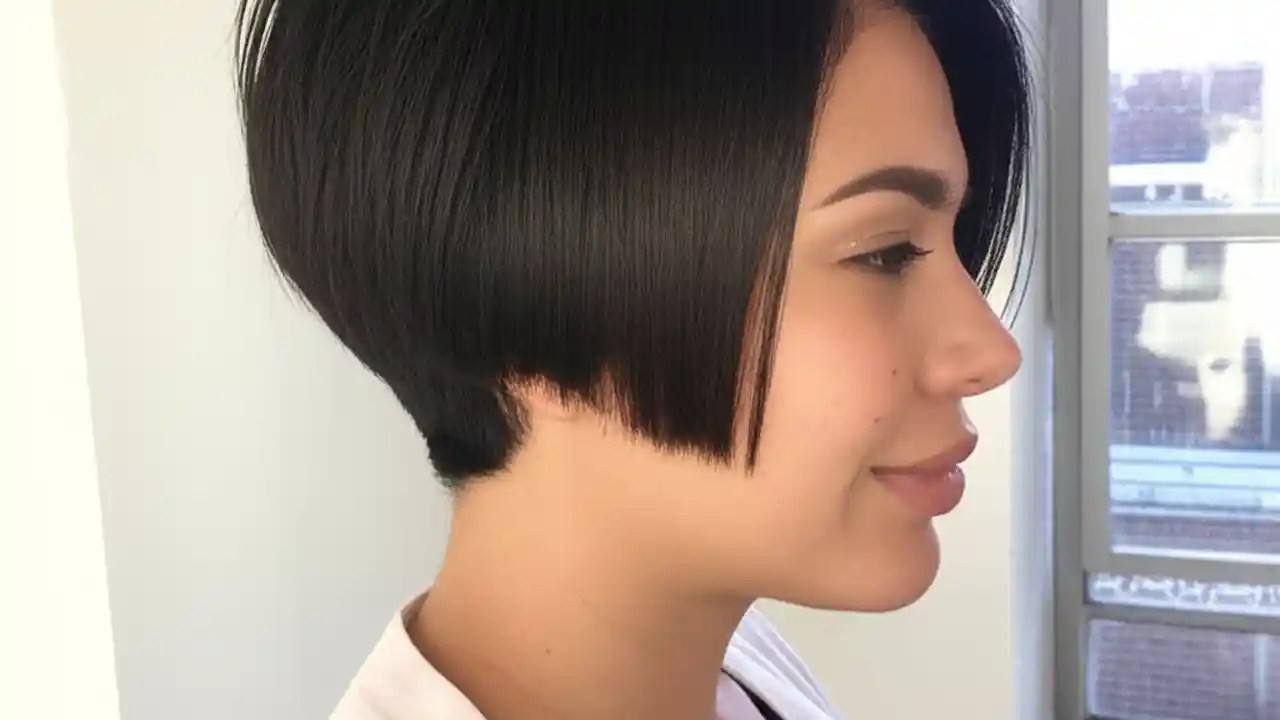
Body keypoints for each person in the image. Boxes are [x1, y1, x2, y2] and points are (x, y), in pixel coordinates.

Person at [232, 0, 1031, 717]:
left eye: (954, 244)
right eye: (887, 252)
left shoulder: (741, 665)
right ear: (538, 314)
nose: (992, 352)